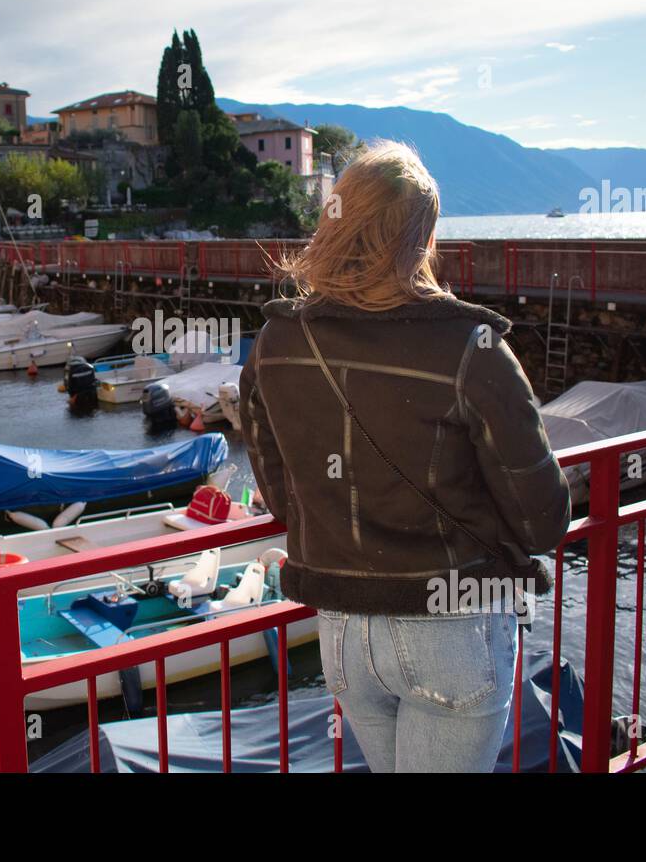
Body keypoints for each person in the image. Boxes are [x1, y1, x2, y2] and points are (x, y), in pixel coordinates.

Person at [238, 141, 571, 773]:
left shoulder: (279, 337)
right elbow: (541, 521)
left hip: (341, 630)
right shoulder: (472, 347)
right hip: (452, 627)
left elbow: (280, 487)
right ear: (422, 237)